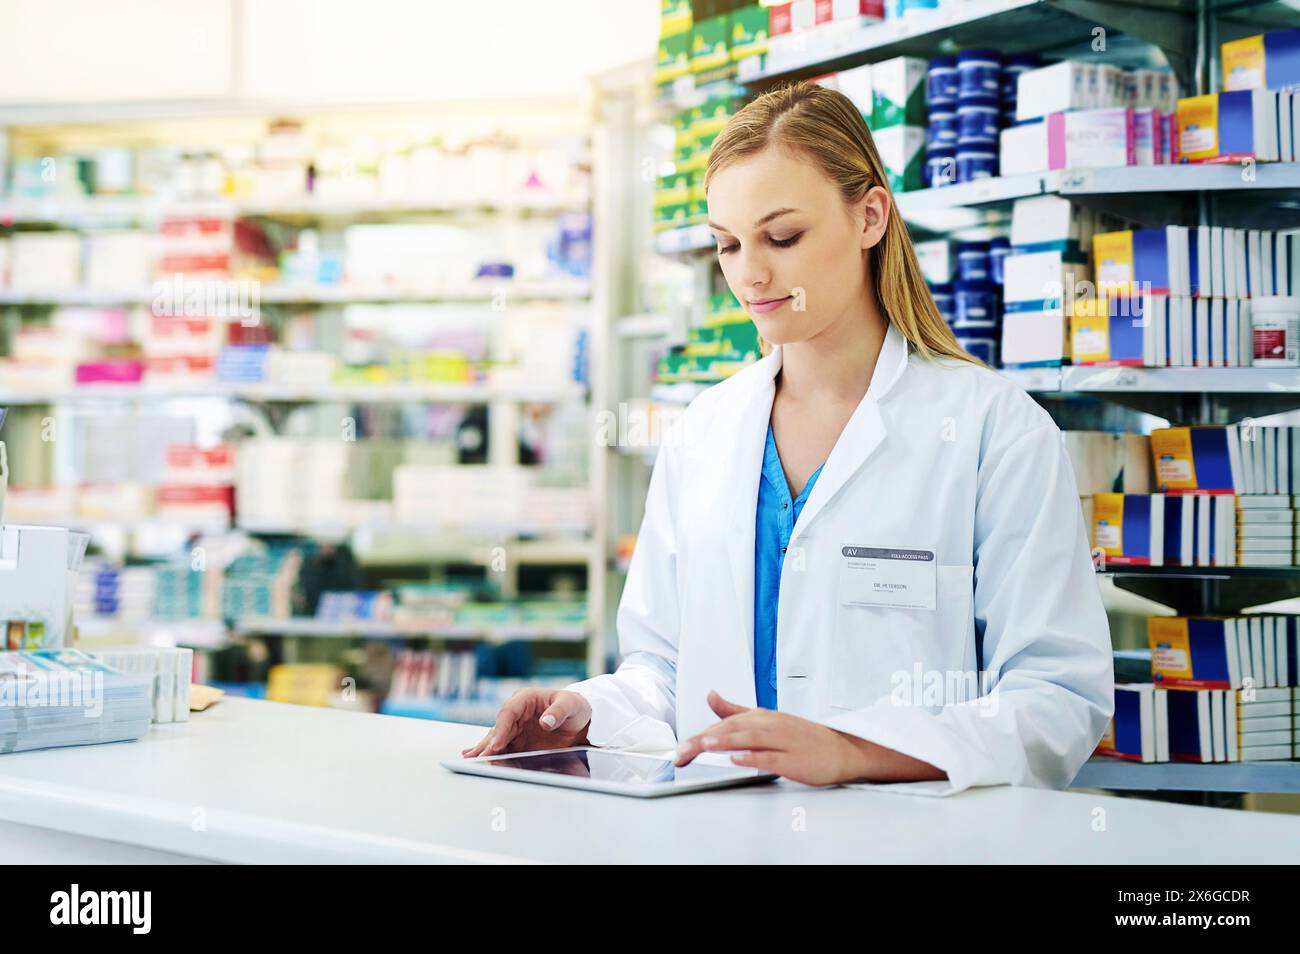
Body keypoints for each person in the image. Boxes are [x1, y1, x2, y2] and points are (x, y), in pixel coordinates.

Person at [462, 81, 1113, 796]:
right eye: (728, 245)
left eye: (782, 237)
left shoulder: (997, 431)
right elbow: (665, 667)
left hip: (907, 845)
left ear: (870, 216)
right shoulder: (703, 435)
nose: (751, 273)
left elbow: (1057, 699)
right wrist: (587, 711)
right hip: (720, 838)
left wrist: (856, 750)